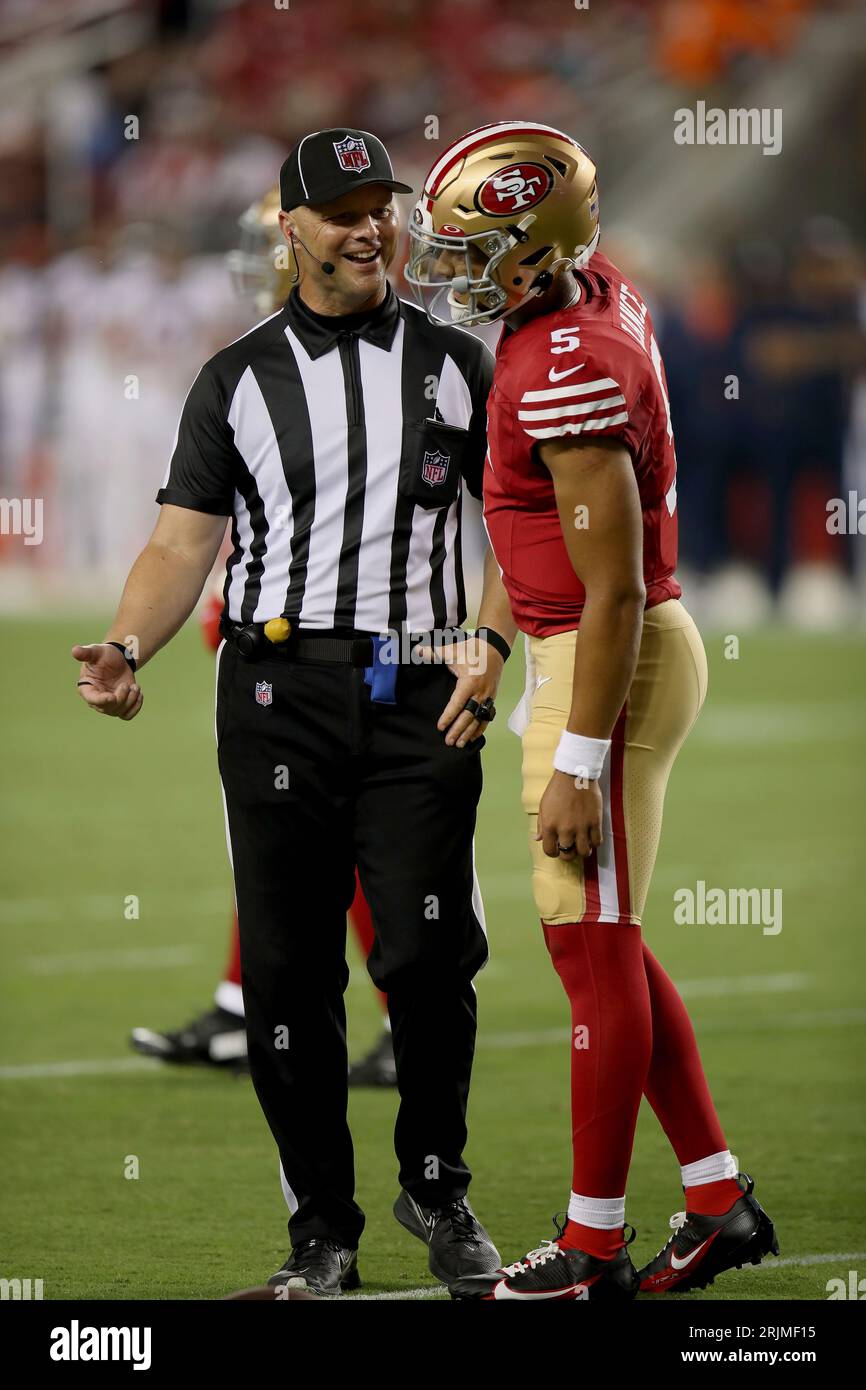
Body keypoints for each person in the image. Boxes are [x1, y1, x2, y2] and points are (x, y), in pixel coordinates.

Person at [73, 128, 515, 1298]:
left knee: (426, 955)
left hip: (425, 686)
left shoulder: (457, 360)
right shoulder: (235, 376)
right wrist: (128, 641)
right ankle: (321, 1229)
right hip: (276, 695)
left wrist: (494, 632)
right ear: (292, 227)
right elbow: (182, 539)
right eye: (342, 209)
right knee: (285, 973)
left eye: (382, 205)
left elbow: (518, 521)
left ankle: (436, 1180)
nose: (369, 226)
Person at [407, 120, 779, 1300]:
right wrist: (491, 636)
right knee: (605, 940)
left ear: (533, 246)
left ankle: (591, 1246)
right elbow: (544, 546)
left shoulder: (565, 358)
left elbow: (609, 582)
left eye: (473, 245)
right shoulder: (575, 295)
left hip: (607, 663)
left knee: (587, 948)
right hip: (581, 647)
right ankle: (715, 1201)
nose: (451, 267)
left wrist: (573, 751)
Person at [130, 185, 397, 1087]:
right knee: (281, 838)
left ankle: (403, 1018)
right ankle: (246, 1009)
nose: (259, 264)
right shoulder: (253, 367)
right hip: (280, 645)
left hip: (375, 650)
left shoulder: (408, 363)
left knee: (346, 840)